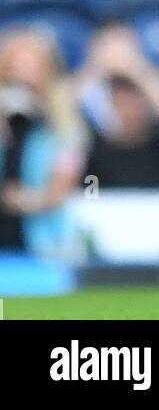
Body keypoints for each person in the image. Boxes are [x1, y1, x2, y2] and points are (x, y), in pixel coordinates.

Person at [73, 24, 159, 189]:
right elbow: (61, 113)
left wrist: (137, 67)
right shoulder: (93, 147)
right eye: (120, 101)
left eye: (133, 100)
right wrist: (96, 65)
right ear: (111, 103)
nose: (128, 108)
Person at [0, 28, 85, 257]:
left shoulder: (65, 127)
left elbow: (61, 190)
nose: (22, 79)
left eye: (32, 69)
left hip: (41, 241)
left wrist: (24, 200)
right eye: (14, 69)